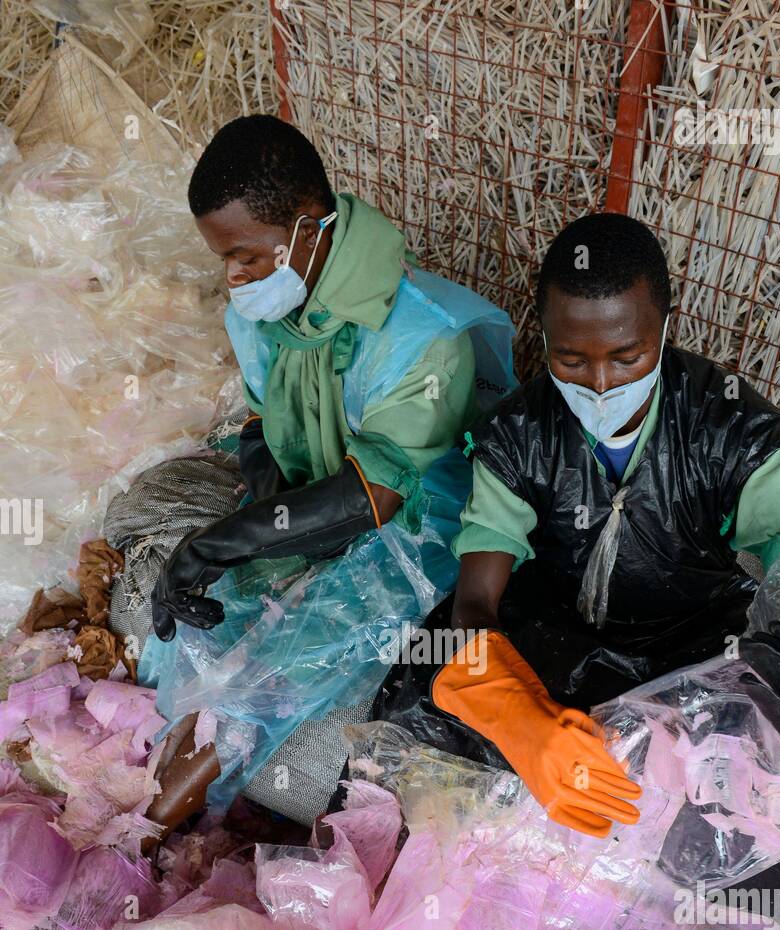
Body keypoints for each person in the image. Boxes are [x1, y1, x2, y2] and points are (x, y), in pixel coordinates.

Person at [371, 212, 780, 925]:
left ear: (663, 329)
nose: (598, 383)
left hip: (689, 648)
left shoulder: (735, 434)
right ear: (546, 339)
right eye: (570, 359)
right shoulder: (517, 436)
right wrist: (523, 723)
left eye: (626, 357)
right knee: (425, 701)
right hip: (555, 630)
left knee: (741, 852)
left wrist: (735, 703)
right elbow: (474, 607)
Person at [105, 115, 514, 832]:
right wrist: (265, 524)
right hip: (318, 491)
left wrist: (230, 541)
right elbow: (264, 420)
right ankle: (184, 758)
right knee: (221, 608)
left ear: (308, 227)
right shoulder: (266, 312)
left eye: (245, 256)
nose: (232, 277)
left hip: (418, 514)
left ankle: (160, 821)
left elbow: (378, 490)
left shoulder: (424, 336)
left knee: (301, 647)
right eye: (223, 258)